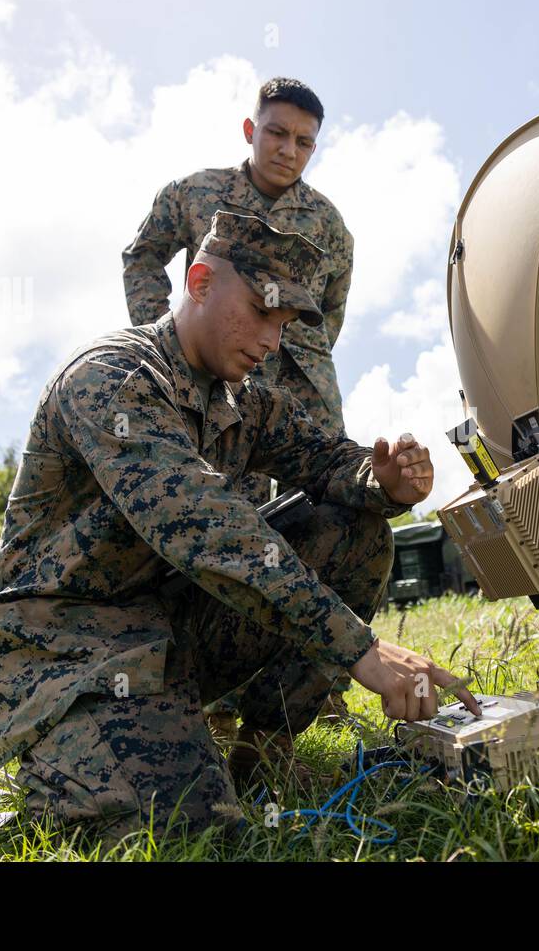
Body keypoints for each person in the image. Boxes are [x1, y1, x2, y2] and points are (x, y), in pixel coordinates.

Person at [0, 212, 479, 844]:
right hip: (73, 651)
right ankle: (56, 781)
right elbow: (212, 531)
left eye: (286, 325)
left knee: (354, 528)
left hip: (173, 630)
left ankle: (262, 756)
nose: (272, 340)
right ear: (202, 281)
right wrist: (359, 650)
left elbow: (327, 460)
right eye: (262, 313)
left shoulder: (244, 397)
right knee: (193, 831)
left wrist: (385, 484)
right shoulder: (112, 382)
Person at [122, 76, 358, 731]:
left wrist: (299, 356)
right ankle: (225, 693)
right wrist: (163, 339)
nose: (289, 149)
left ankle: (319, 681)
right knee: (234, 516)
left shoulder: (330, 225)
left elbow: (331, 304)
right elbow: (141, 254)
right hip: (218, 386)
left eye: (305, 142)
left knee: (331, 510)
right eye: (278, 133)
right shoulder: (194, 194)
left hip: (304, 392)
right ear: (252, 130)